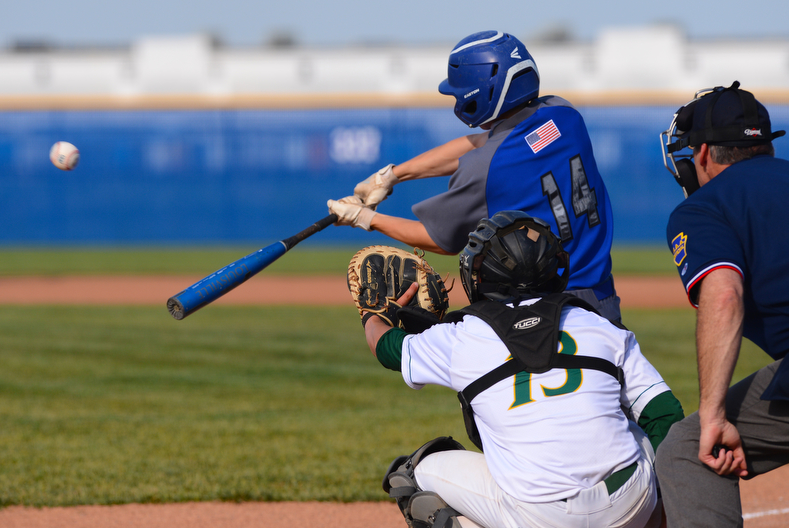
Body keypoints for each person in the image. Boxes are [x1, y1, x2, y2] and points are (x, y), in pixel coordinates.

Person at [361, 210, 683, 528]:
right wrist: (664, 502)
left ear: (480, 275)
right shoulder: (599, 325)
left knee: (413, 475)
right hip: (630, 505)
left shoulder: (459, 337)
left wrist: (373, 316)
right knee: (640, 429)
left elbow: (388, 349)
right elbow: (666, 413)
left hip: (540, 517)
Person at [328, 30, 622, 322]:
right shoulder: (563, 113)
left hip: (541, 312)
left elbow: (438, 239)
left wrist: (364, 218)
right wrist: (390, 176)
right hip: (602, 299)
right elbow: (486, 143)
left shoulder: (485, 168)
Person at [655, 81, 789, 527]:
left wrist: (713, 415)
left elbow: (724, 294)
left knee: (687, 451)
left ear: (704, 153)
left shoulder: (704, 207)